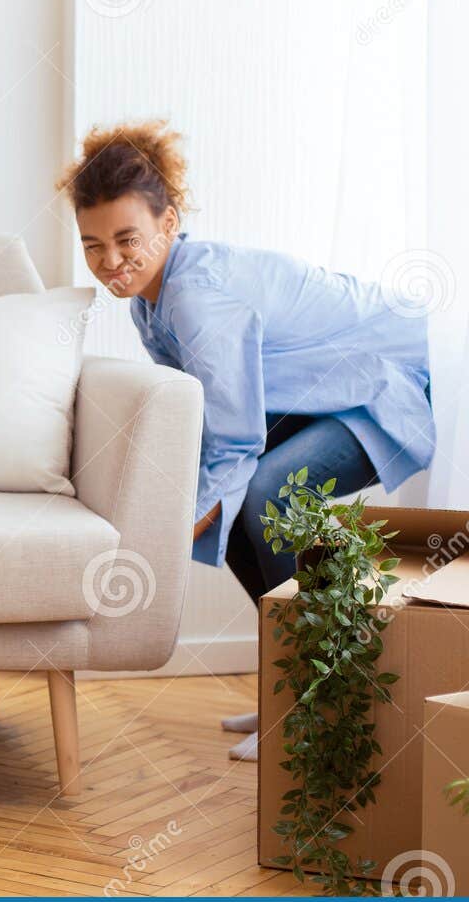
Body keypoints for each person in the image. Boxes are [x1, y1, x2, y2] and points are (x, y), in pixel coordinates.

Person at [56, 120, 434, 761]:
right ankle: (295, 690)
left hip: (392, 387)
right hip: (326, 395)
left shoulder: (199, 298)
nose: (111, 263)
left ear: (168, 223)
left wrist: (174, 525)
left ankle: (319, 706)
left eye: (127, 240)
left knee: (264, 498)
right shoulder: (150, 300)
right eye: (93, 245)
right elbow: (207, 419)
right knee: (228, 515)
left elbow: (231, 442)